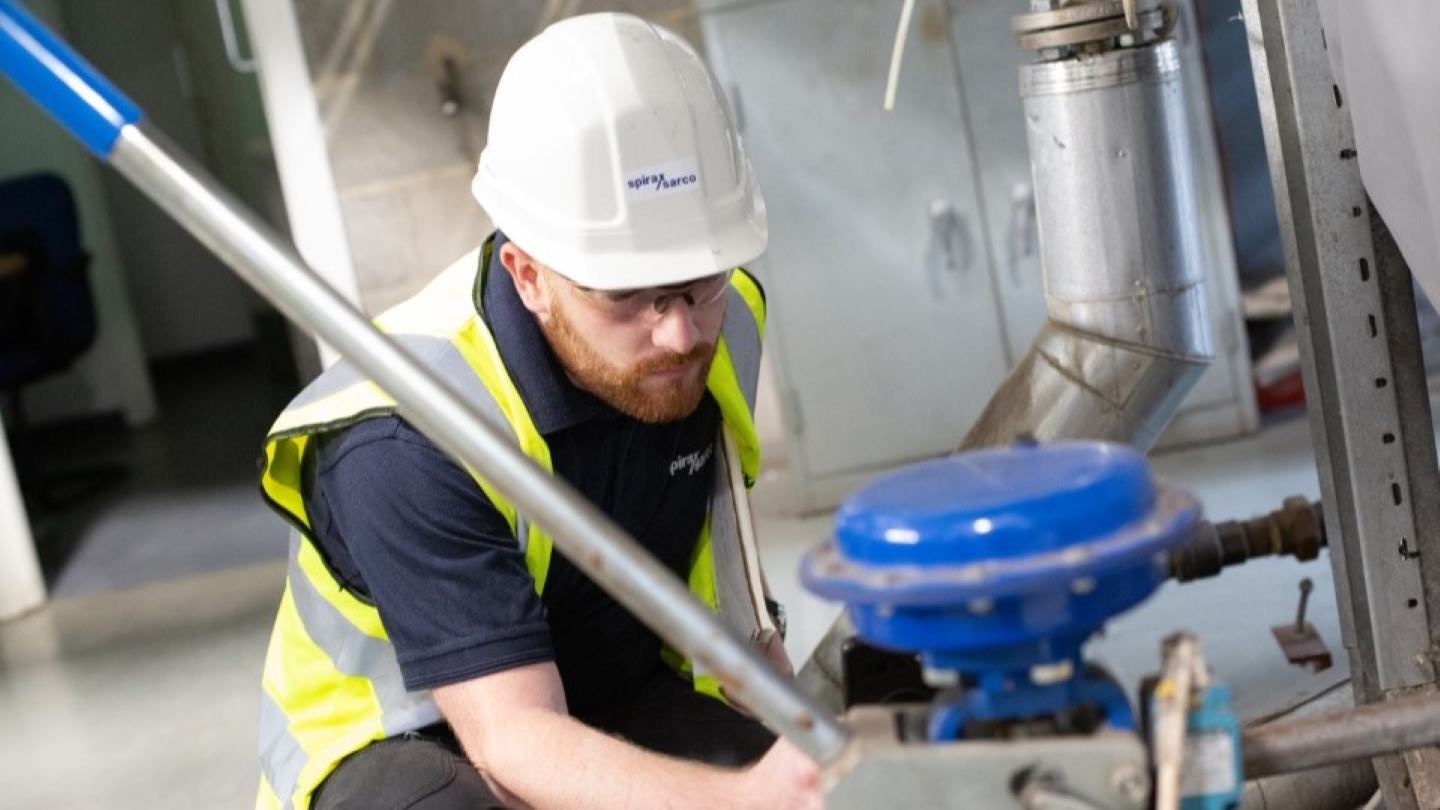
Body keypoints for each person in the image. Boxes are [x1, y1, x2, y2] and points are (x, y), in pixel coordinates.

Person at [252, 12, 821, 810]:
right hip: (411, 742)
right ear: (528, 276)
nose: (681, 332)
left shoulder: (726, 326)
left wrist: (766, 686)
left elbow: (717, 537)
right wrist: (740, 800)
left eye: (701, 281)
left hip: (606, 684)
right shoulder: (405, 435)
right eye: (627, 296)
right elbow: (513, 738)